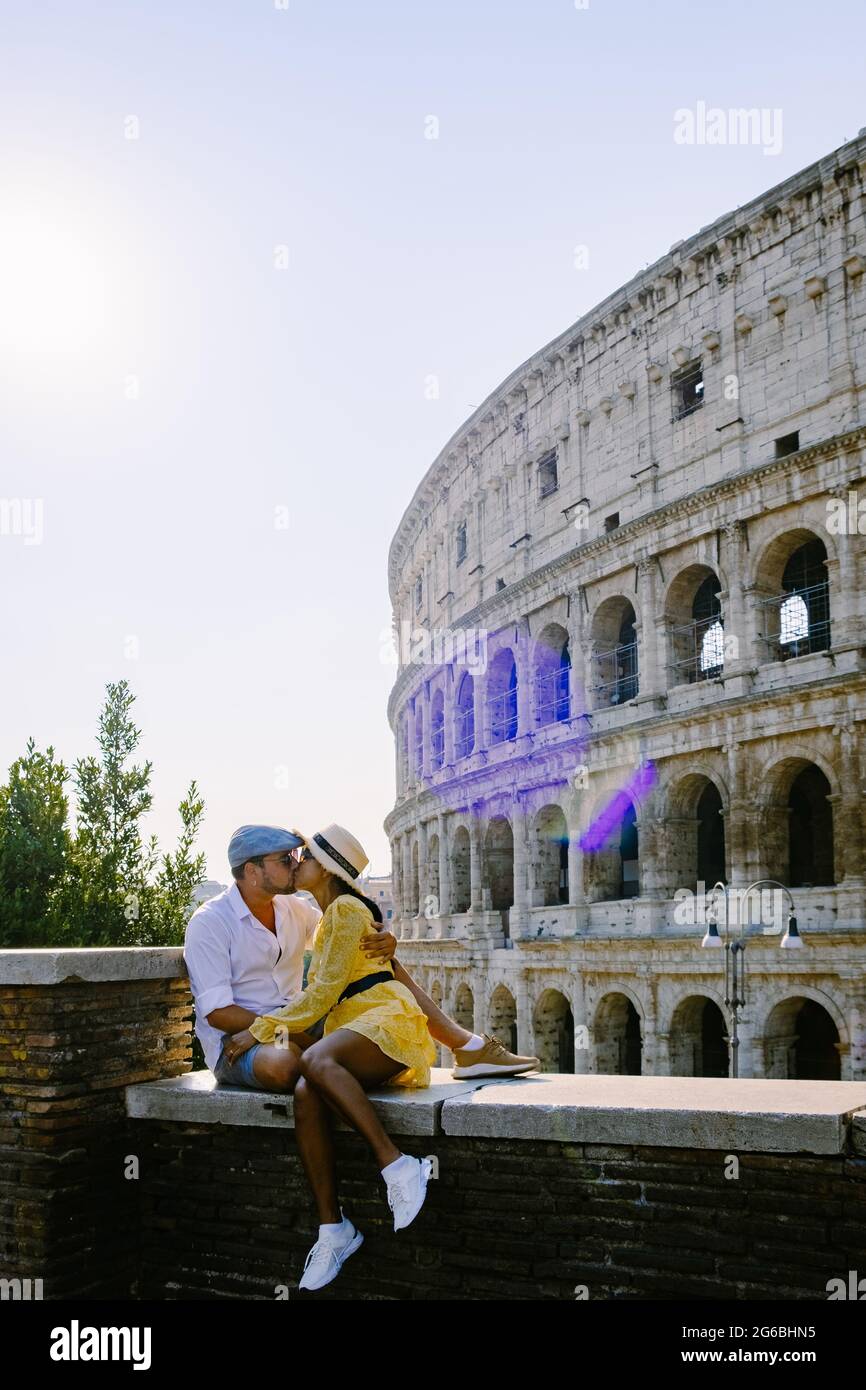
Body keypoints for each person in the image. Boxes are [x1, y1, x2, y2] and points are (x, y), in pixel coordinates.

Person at [225, 825, 437, 1290]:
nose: (296, 863)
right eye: (292, 857)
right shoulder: (325, 916)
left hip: (384, 1023)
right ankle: (332, 1228)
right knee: (306, 1091)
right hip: (355, 1032)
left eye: (305, 858)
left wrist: (258, 1028)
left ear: (327, 869)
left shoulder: (342, 908)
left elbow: (320, 997)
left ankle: (398, 1165)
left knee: (314, 1064)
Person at [184, 823, 539, 1093]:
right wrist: (275, 1028)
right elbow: (217, 1013)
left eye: (298, 857)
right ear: (251, 870)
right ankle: (463, 1050)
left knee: (382, 968)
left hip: (297, 1024)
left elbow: (351, 942)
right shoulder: (210, 923)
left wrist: (385, 938)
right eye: (284, 860)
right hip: (241, 1040)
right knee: (286, 1064)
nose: (294, 865)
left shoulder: (294, 910)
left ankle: (468, 1046)